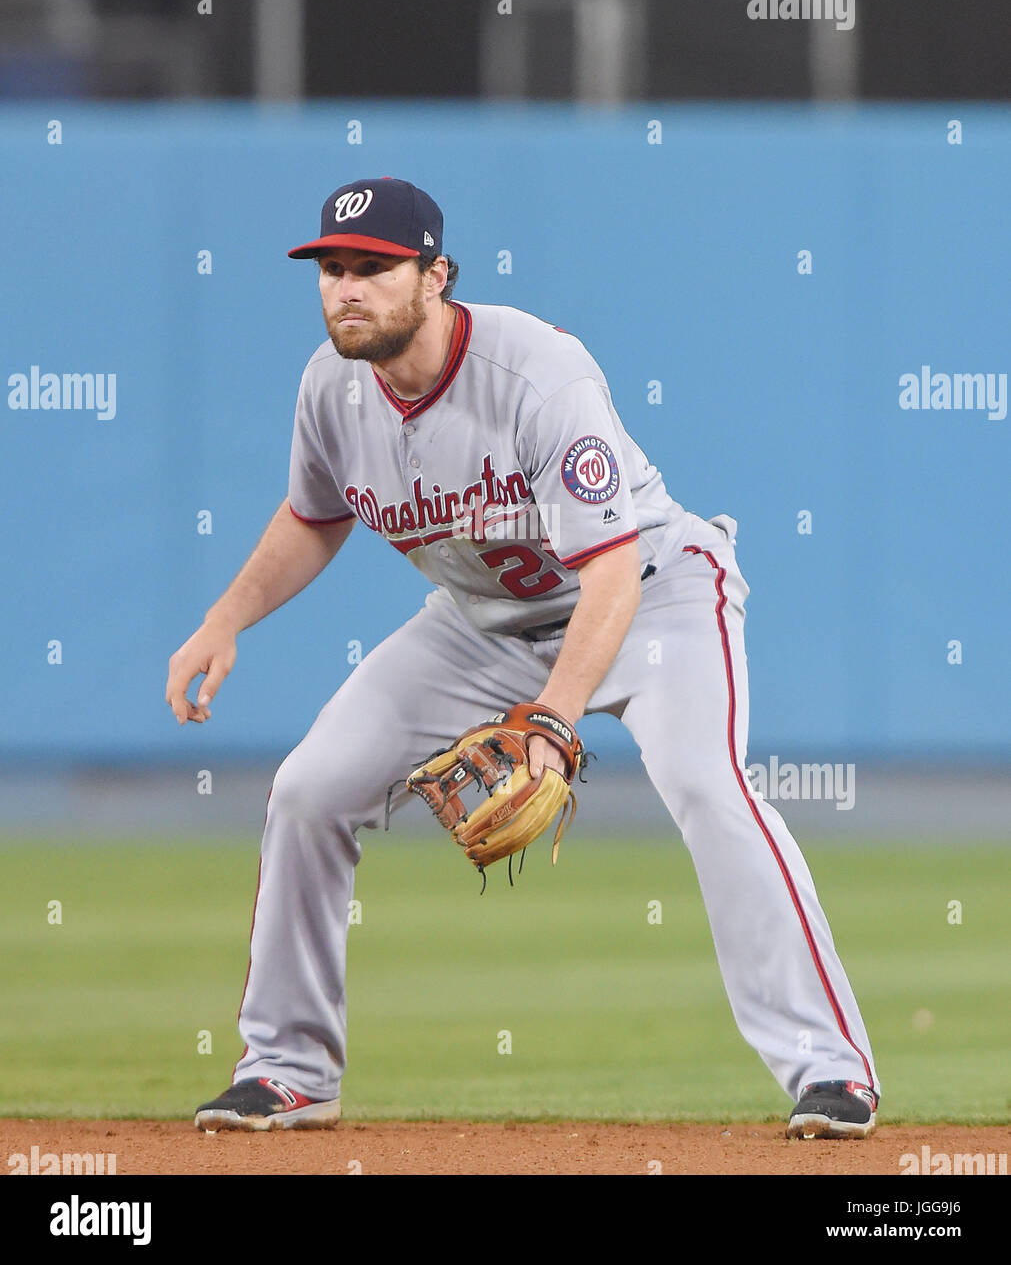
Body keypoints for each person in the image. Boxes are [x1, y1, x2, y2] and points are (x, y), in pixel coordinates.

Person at [166, 176, 879, 1140]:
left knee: (708, 785)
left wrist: (551, 719)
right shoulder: (329, 388)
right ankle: (286, 1071)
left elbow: (612, 572)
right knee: (306, 789)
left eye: (374, 268)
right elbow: (311, 517)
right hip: (479, 622)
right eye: (332, 268)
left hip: (652, 595)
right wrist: (225, 620)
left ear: (435, 274)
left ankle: (830, 1071)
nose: (347, 289)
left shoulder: (538, 374)